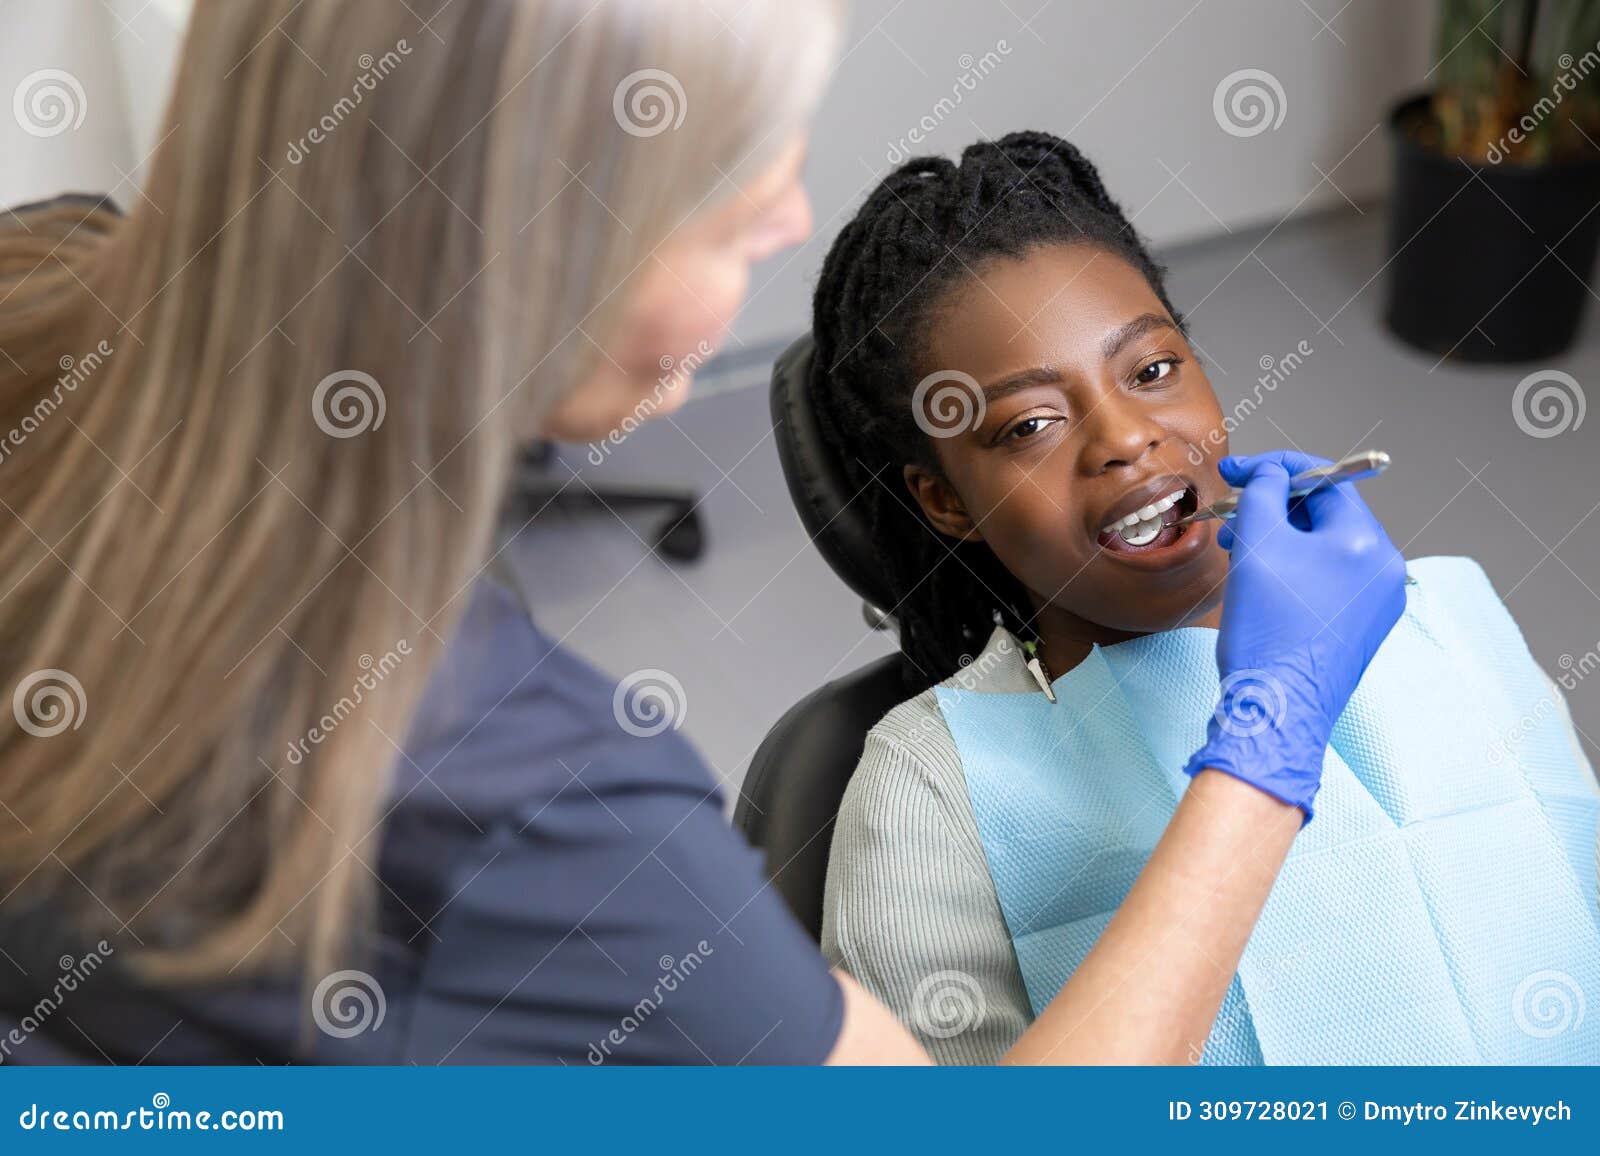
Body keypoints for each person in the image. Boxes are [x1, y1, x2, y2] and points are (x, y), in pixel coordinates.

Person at [0, 2, 1403, 1066]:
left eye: (1156, 367)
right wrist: (1271, 736)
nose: (794, 211)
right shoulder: (548, 810)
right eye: (729, 197)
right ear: (538, 257)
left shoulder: (34, 283)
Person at [810, 131, 1600, 1064]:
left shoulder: (1444, 615)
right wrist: (1273, 725)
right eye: (1029, 424)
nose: (1128, 438)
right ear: (946, 499)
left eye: (1152, 370)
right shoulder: (928, 798)